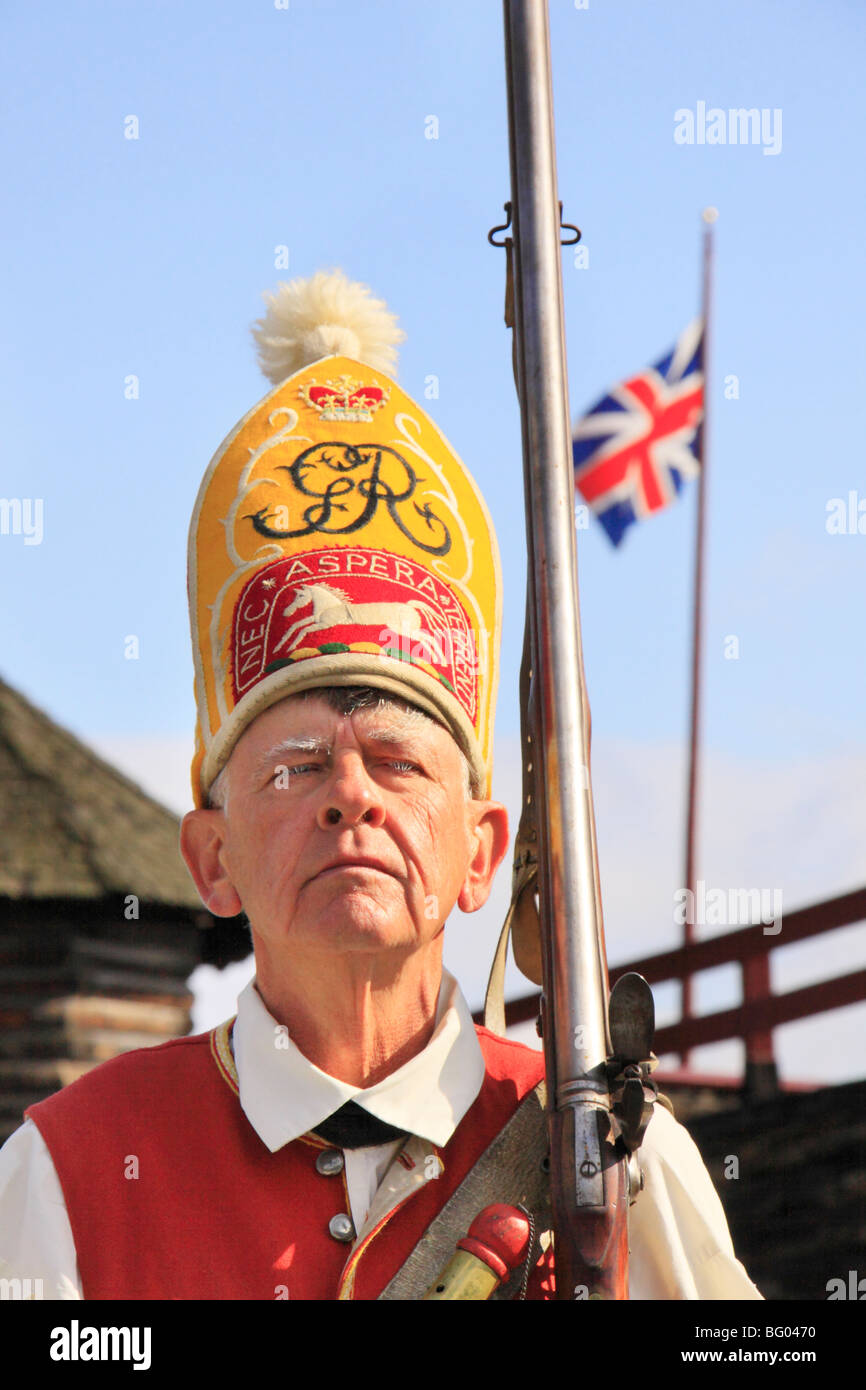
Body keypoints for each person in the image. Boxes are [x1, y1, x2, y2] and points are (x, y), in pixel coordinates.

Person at [0, 272, 761, 1300]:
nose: (348, 796)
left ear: (482, 851)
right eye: (292, 765)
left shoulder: (621, 1163)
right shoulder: (62, 1175)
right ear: (210, 858)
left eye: (399, 762)